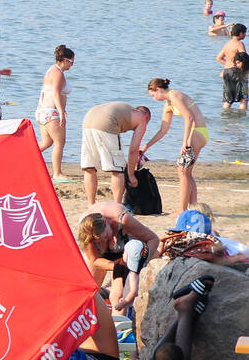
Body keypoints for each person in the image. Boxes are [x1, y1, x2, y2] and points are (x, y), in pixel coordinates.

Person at [77, 201, 160, 315]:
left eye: (106, 236)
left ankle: (118, 324)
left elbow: (154, 239)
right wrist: (118, 266)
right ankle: (100, 302)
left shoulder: (122, 219)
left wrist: (139, 262)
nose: (106, 241)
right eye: (99, 241)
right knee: (89, 291)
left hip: (130, 251)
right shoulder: (86, 232)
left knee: (119, 293)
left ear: (107, 222)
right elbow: (95, 260)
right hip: (109, 256)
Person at [143, 78, 206, 211]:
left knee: (182, 172)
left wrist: (185, 142)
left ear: (158, 90)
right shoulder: (168, 104)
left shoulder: (175, 95)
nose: (154, 99)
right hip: (196, 135)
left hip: (197, 133)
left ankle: (181, 210)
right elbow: (163, 130)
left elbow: (189, 117)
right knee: (187, 173)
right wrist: (146, 146)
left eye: (153, 95)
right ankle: (193, 207)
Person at [79, 101, 150, 204]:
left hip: (88, 121)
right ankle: (117, 205)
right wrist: (131, 175)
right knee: (117, 170)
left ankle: (91, 205)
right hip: (107, 122)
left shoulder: (126, 110)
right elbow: (133, 150)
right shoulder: (142, 118)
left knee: (89, 167)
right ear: (147, 116)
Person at [35, 46, 74, 181]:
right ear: (64, 60)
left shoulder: (51, 70)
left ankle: (24, 158)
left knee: (46, 142)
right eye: (71, 62)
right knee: (60, 142)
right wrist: (61, 112)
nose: (72, 65)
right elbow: (56, 93)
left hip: (42, 111)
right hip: (50, 112)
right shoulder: (57, 73)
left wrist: (62, 109)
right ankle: (57, 173)